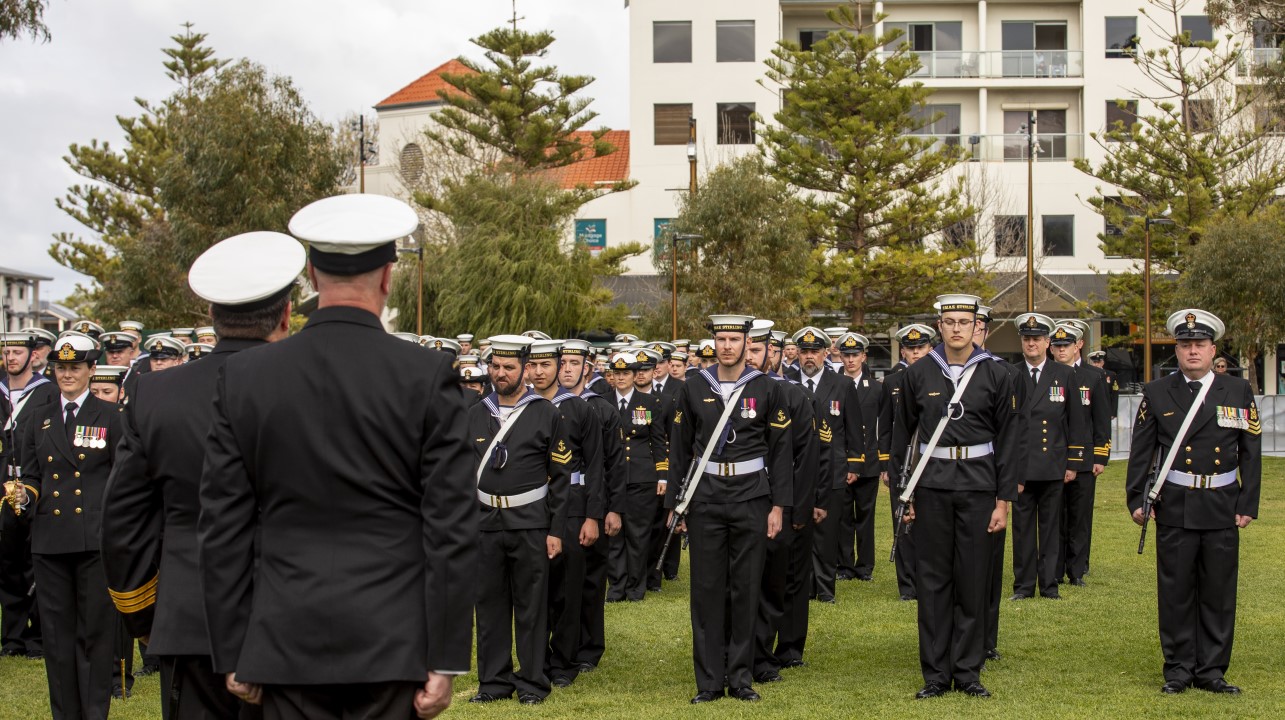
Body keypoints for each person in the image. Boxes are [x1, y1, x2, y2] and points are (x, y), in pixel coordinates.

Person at [198, 194, 476, 720]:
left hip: (284, 635)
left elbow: (223, 525)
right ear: (388, 276)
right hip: (391, 639)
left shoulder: (245, 376)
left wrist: (233, 646)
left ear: (309, 275)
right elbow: (450, 526)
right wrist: (445, 655)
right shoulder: (425, 374)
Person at [100, 231, 303, 719]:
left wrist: (147, 615)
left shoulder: (154, 395)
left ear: (211, 317)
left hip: (190, 619)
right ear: (286, 315)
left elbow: (123, 523)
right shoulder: (315, 387)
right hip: (299, 617)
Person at [891, 295, 1020, 700]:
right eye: (950, 321)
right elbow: (901, 438)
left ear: (976, 325)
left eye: (965, 321)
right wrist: (903, 494)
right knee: (932, 582)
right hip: (930, 488)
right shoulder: (918, 373)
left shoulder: (998, 374)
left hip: (980, 488)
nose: (957, 328)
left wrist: (1003, 501)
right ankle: (935, 673)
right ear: (939, 325)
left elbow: (1010, 440)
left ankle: (967, 671)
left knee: (973, 579)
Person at [1126, 309, 1259, 696]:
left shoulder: (1237, 391)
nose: (1193, 351)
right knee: (1176, 592)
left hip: (1221, 502)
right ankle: (1179, 669)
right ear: (1177, 350)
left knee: (1218, 592)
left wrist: (1247, 501)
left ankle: (1212, 671)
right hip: (1177, 504)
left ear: (1213, 349)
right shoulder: (1157, 392)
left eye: (1199, 344)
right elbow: (1142, 451)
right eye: (1185, 345)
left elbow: (1251, 450)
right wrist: (1138, 498)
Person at [666, 314, 793, 704]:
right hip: (705, 498)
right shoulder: (692, 387)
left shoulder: (767, 389)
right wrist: (676, 504)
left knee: (745, 587)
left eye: (734, 339)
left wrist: (779, 505)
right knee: (705, 590)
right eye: (720, 339)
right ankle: (708, 681)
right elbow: (678, 449)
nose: (726, 346)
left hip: (752, 496)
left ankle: (740, 677)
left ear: (746, 342)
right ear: (713, 343)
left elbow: (782, 451)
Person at [13, 331, 122, 719]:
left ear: (92, 370)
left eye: (76, 367)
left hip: (93, 541)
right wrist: (25, 495)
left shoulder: (110, 416)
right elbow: (32, 475)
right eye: (61, 368)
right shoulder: (38, 418)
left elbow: (121, 478)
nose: (67, 375)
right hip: (50, 540)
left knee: (94, 634)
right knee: (57, 640)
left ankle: (94, 713)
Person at [467, 335, 569, 705]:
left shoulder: (546, 413)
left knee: (531, 606)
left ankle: (531, 683)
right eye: (495, 366)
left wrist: (556, 530)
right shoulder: (476, 413)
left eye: (509, 367)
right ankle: (492, 683)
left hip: (531, 523)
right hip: (486, 524)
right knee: (490, 606)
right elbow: (464, 475)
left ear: (525, 370)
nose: (500, 373)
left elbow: (561, 478)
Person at [745, 320, 822, 683]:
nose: (750, 357)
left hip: (784, 502)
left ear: (772, 352)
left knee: (784, 581)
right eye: (747, 350)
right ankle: (745, 652)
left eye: (758, 350)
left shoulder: (791, 394)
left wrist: (798, 508)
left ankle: (782, 649)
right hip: (742, 501)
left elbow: (806, 458)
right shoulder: (730, 393)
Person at [524, 339, 603, 690]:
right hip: (529, 504)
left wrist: (593, 515)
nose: (539, 372)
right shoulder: (519, 407)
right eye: (533, 366)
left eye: (546, 365)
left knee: (568, 588)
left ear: (559, 366)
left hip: (572, 503)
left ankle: (563, 661)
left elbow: (597, 464)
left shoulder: (580, 409)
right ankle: (535, 658)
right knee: (535, 587)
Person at [1008, 314, 1084, 603]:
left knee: (1051, 529)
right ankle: (1024, 585)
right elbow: (1005, 424)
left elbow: (1076, 422)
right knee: (1022, 529)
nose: (1032, 343)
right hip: (1021, 467)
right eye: (1027, 339)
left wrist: (1074, 462)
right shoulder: (1010, 374)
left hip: (1053, 464)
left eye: (1037, 338)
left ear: (1047, 343)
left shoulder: (1064, 375)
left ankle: (1049, 585)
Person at [559, 340, 624, 675]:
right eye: (563, 362)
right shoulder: (546, 405)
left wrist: (612, 510)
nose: (567, 368)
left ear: (588, 366)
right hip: (560, 503)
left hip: (592, 501)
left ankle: (589, 647)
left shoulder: (601, 409)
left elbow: (614, 464)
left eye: (574, 362)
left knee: (592, 578)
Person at [790, 327, 859, 605]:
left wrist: (854, 463)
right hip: (799, 470)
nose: (809, 357)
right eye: (804, 352)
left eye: (814, 352)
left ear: (825, 353)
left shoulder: (842, 384)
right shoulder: (787, 382)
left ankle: (826, 588)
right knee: (800, 529)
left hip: (833, 468)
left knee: (827, 532)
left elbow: (853, 427)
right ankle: (804, 586)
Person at [0, 329, 56, 661]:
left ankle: (38, 637)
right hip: (1, 485)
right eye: (6, 352)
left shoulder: (46, 391)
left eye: (17, 352)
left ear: (32, 355)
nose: (11, 358)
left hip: (34, 485)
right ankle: (13, 636)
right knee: (6, 564)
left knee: (34, 563)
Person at [604, 351, 668, 603]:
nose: (621, 378)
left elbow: (659, 441)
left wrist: (662, 475)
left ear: (634, 375)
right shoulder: (602, 401)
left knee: (638, 534)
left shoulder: (648, 403)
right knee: (613, 534)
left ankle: (635, 586)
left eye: (626, 373)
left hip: (642, 476)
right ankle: (616, 585)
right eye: (617, 373)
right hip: (612, 477)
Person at [1050, 322, 1111, 586]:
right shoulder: (1047, 375)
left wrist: (1100, 456)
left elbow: (1101, 421)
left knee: (1079, 517)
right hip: (1052, 457)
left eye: (1067, 345)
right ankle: (1055, 567)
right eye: (1057, 345)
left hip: (1085, 459)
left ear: (1079, 345)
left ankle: (1077, 569)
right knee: (1055, 516)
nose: (1061, 350)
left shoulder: (1093, 377)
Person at [878, 323, 935, 602]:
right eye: (911, 348)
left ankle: (928, 580)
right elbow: (887, 427)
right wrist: (887, 464)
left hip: (932, 461)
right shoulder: (891, 382)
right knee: (902, 522)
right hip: (902, 462)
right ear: (903, 351)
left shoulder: (939, 379)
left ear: (930, 348)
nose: (916, 353)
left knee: (930, 523)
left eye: (921, 347)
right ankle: (907, 585)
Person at [833, 332, 882, 583]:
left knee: (865, 516)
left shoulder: (876, 388)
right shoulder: (834, 385)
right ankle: (843, 565)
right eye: (846, 355)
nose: (851, 360)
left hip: (869, 460)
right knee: (842, 517)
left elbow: (882, 426)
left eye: (855, 355)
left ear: (864, 356)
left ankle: (864, 566)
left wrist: (883, 462)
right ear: (840, 356)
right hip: (842, 460)